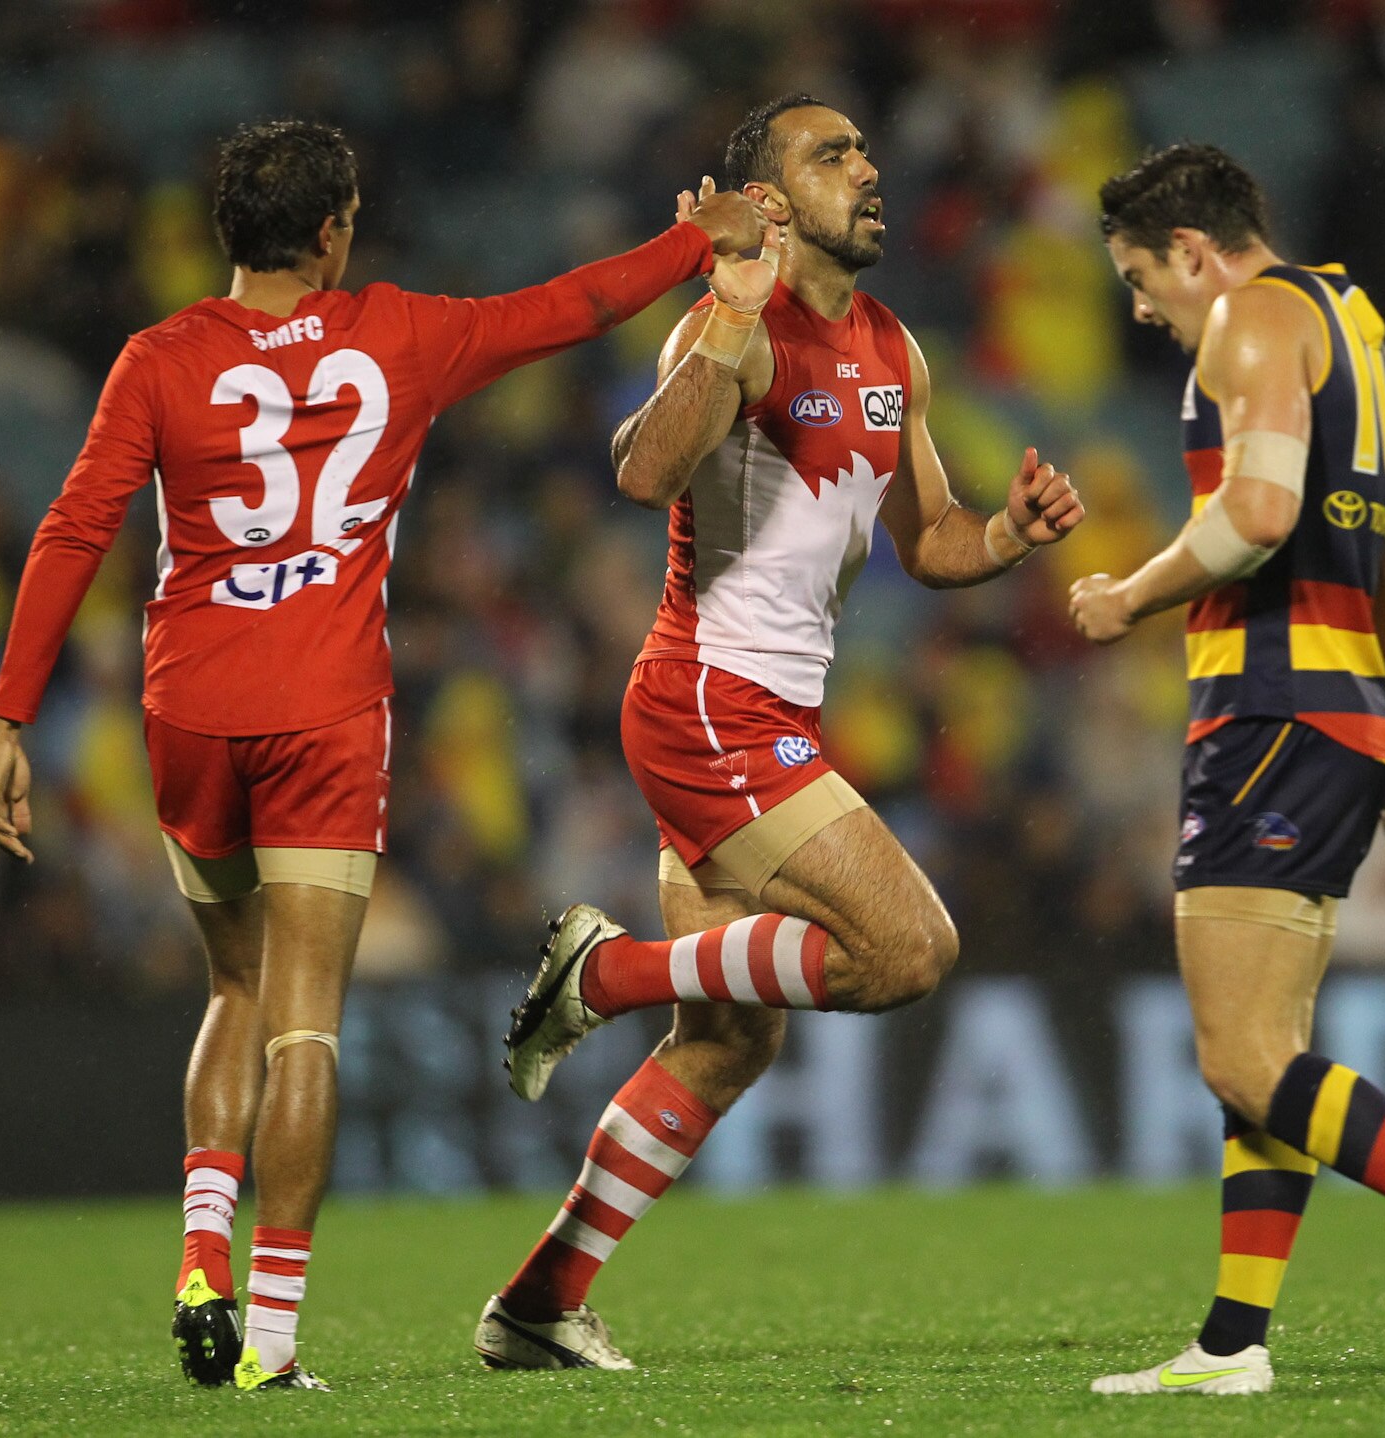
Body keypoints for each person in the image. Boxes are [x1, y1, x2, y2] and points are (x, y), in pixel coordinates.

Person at [0, 118, 764, 1393]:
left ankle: (197, 1256)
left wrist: (10, 716)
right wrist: (696, 240)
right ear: (333, 228)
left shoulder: (158, 359)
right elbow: (570, 308)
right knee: (306, 1033)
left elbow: (74, 528)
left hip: (189, 709)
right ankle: (273, 1345)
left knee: (232, 989)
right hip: (325, 712)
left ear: (223, 233)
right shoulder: (396, 333)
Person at [475, 94, 1085, 1371]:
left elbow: (933, 543)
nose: (867, 169)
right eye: (830, 155)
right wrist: (736, 302)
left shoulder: (893, 350)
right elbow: (641, 475)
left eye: (865, 147)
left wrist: (1013, 538)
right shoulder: (728, 329)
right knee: (907, 947)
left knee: (728, 1042)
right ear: (764, 198)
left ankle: (538, 1302)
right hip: (708, 700)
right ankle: (599, 976)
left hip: (755, 711)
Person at [1066, 144, 1385, 1396]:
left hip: (1267, 710)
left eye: (1141, 277)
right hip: (1342, 716)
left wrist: (1127, 594)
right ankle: (1232, 1345)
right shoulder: (1356, 331)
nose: (1141, 306)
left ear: (1192, 252)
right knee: (1269, 1053)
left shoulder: (1246, 319)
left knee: (1241, 1059)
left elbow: (1252, 514)